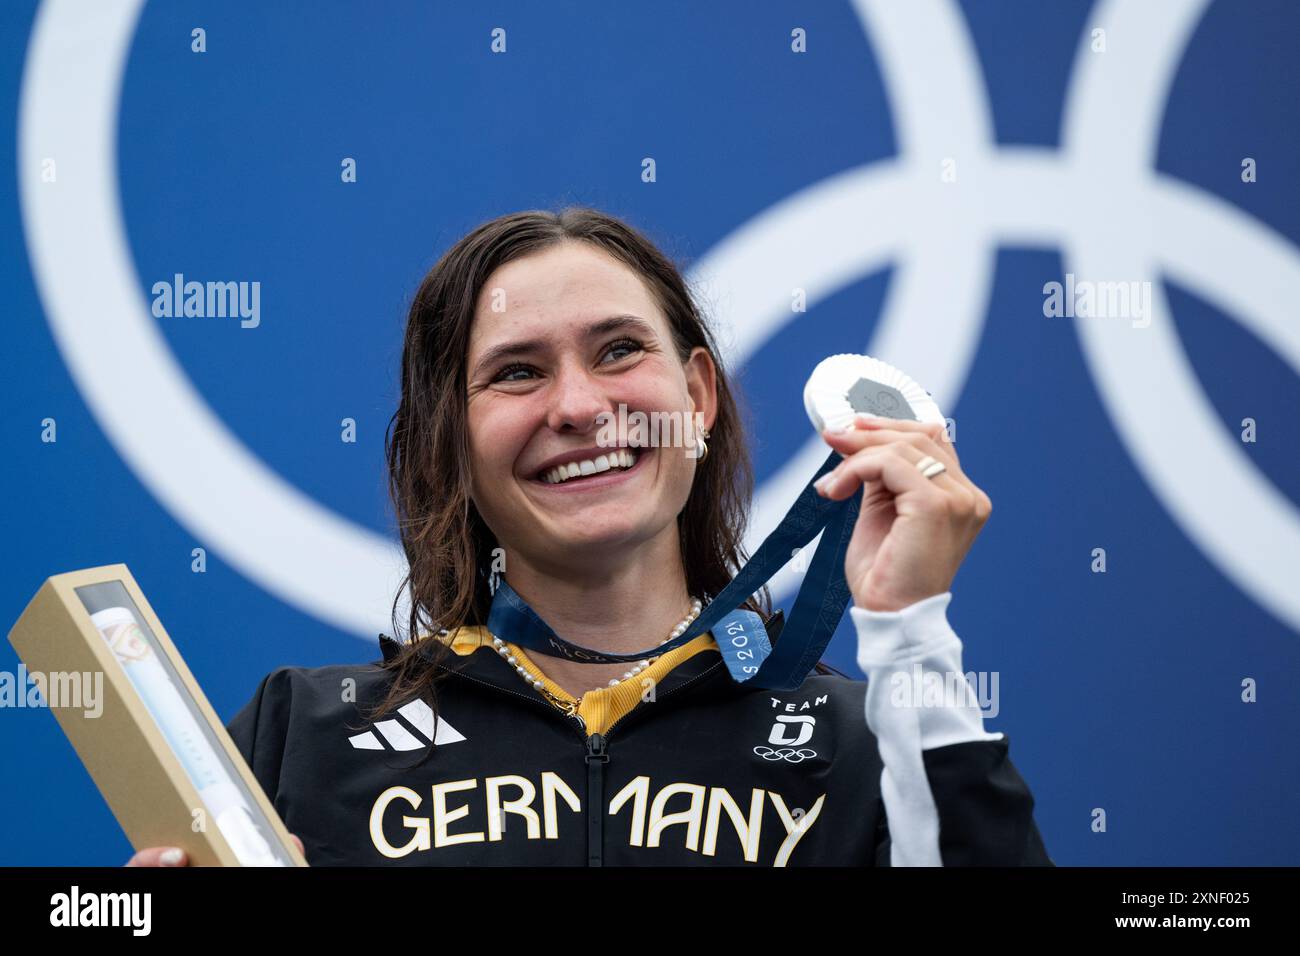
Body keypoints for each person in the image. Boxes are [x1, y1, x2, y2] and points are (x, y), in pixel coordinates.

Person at [128, 206, 1051, 867]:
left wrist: (910, 630)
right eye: (517, 372)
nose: (579, 406)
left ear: (696, 397)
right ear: (453, 440)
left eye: (619, 351)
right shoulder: (302, 740)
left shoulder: (862, 744)